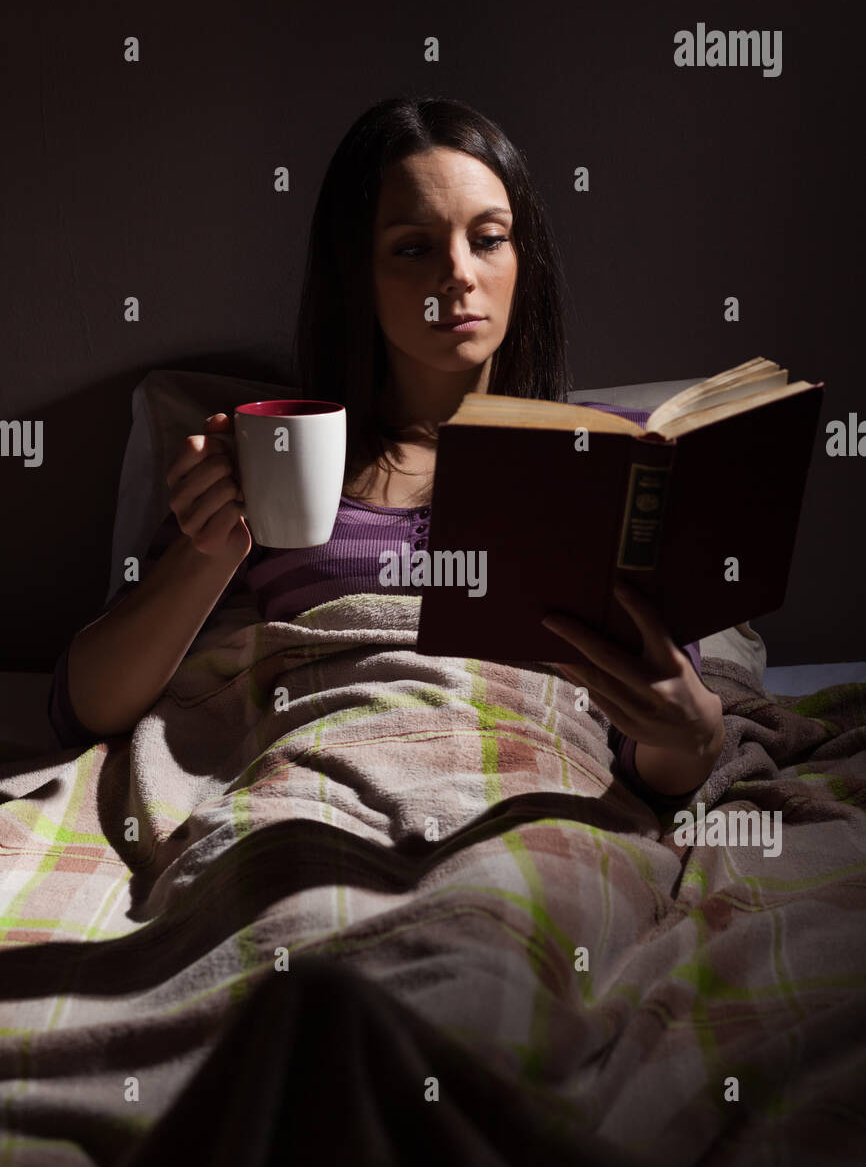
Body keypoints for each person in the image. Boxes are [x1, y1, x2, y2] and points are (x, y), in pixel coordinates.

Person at [48, 95, 724, 808]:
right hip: (316, 791)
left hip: (524, 801)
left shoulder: (603, 465)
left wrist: (695, 734)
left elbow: (653, 766)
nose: (459, 273)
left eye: (489, 239)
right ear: (357, 275)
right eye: (413, 247)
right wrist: (208, 549)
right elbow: (85, 711)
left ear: (523, 262)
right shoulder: (278, 461)